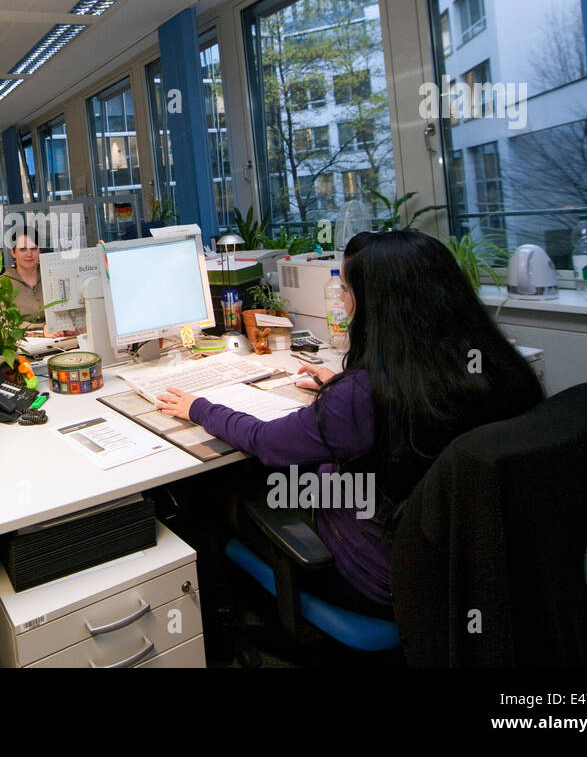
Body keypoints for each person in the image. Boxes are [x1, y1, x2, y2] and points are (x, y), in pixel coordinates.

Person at [155, 229, 544, 621]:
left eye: (345, 290)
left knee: (215, 490)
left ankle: (228, 624)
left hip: (385, 576)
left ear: (376, 303)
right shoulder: (496, 365)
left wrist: (200, 408)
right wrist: (340, 386)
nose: (342, 300)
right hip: (482, 562)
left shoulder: (364, 395)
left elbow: (267, 441)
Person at [4, 229, 46, 331]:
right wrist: (42, 329)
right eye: (23, 249)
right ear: (13, 252)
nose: (29, 254)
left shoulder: (50, 276)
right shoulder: (5, 282)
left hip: (60, 339)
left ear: (39, 250)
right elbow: (7, 322)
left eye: (33, 249)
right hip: (23, 342)